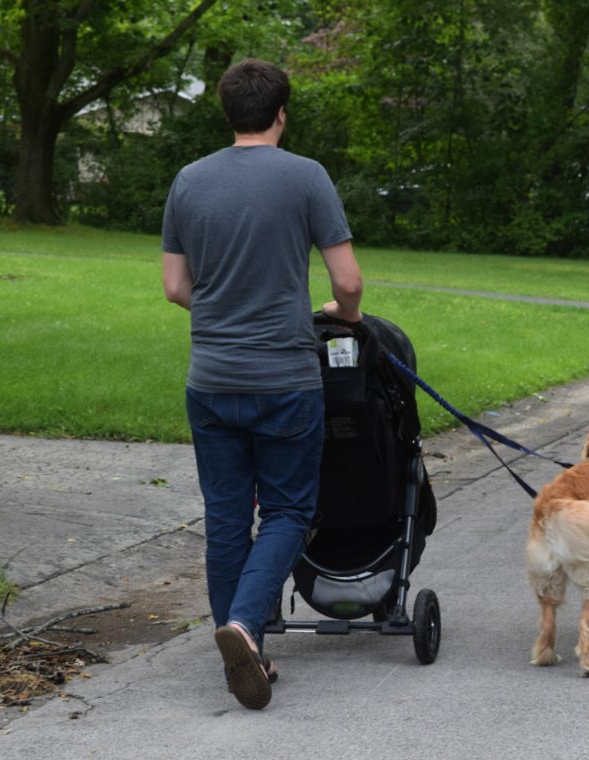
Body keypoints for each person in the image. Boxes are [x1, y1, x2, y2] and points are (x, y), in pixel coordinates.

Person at [161, 58, 363, 710]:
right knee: (287, 511)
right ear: (281, 113)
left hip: (211, 379)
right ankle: (245, 627)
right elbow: (349, 282)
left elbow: (174, 287)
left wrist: (223, 313)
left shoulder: (189, 181)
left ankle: (240, 658)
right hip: (284, 378)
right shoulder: (305, 177)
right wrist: (346, 317)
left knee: (226, 518)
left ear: (228, 112)